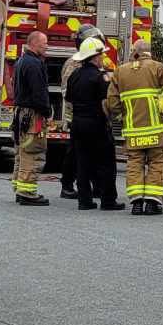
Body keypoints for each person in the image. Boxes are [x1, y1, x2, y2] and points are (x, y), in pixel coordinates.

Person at [105, 39, 163, 216]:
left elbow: (112, 101)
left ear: (134, 52)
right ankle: (152, 204)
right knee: (157, 163)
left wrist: (122, 115)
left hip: (133, 131)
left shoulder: (120, 71)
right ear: (149, 52)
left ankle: (137, 202)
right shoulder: (157, 67)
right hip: (156, 129)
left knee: (135, 164)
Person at [62, 36, 121, 211]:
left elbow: (69, 99)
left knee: (82, 162)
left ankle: (85, 201)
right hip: (96, 123)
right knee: (106, 162)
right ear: (95, 57)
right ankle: (108, 200)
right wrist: (109, 120)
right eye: (101, 54)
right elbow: (105, 103)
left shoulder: (74, 75)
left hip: (78, 124)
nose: (103, 57)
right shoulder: (100, 77)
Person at [55, 24, 110, 198]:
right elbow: (68, 93)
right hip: (77, 116)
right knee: (75, 152)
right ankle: (67, 185)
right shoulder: (73, 64)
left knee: (90, 152)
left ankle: (95, 186)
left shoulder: (90, 63)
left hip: (87, 116)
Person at [9, 30, 53, 205]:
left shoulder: (22, 61)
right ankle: (27, 193)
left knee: (22, 152)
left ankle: (20, 188)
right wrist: (47, 112)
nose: (47, 46)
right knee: (33, 152)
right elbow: (39, 93)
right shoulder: (34, 64)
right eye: (45, 43)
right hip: (33, 115)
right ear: (34, 43)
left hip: (22, 113)